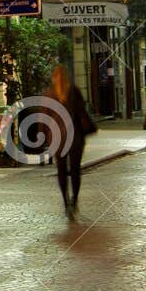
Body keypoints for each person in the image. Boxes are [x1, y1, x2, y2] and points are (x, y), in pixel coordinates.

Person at [48, 65, 96, 219]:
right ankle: (74, 201)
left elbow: (45, 118)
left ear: (54, 77)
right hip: (74, 137)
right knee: (75, 170)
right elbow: (82, 111)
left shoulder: (50, 94)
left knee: (62, 171)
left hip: (58, 138)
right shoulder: (74, 91)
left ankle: (65, 202)